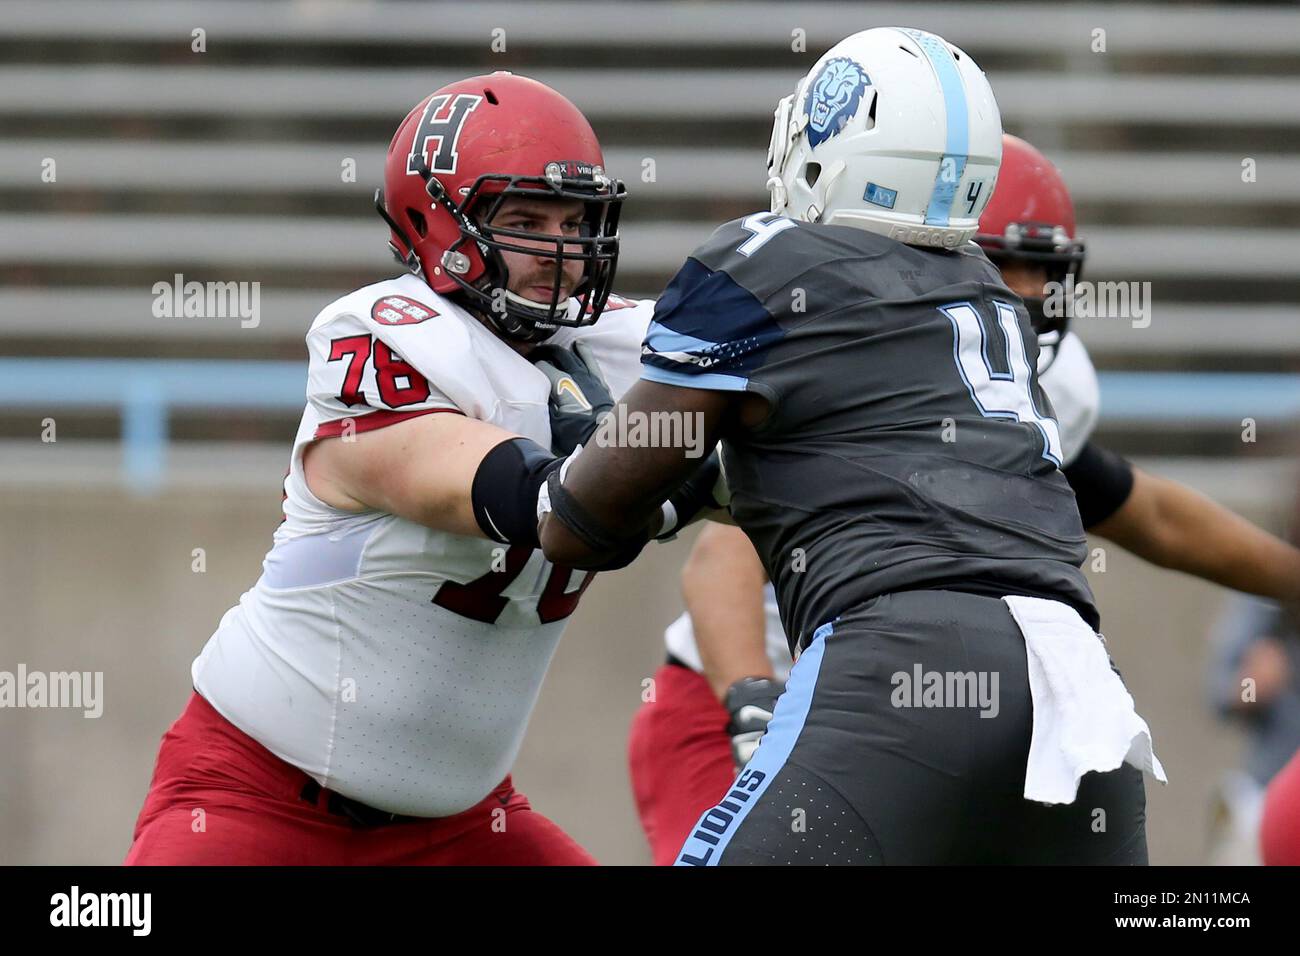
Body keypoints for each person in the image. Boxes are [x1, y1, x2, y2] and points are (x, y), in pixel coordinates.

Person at [538, 27, 1167, 865]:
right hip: (1081, 691)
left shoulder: (760, 259)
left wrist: (585, 474)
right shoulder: (987, 297)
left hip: (901, 661)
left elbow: (578, 517)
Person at [627, 134, 1300, 865]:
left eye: (1042, 271)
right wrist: (751, 701)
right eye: (999, 265)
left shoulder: (1045, 378)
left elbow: (1149, 513)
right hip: (744, 693)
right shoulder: (842, 345)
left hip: (910, 718)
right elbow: (719, 563)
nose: (1026, 294)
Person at [124, 72, 655, 865]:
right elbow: (528, 495)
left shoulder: (608, 347)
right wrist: (667, 476)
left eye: (574, 221)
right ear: (438, 225)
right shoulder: (384, 335)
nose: (562, 250)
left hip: (466, 824)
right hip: (260, 804)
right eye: (525, 219)